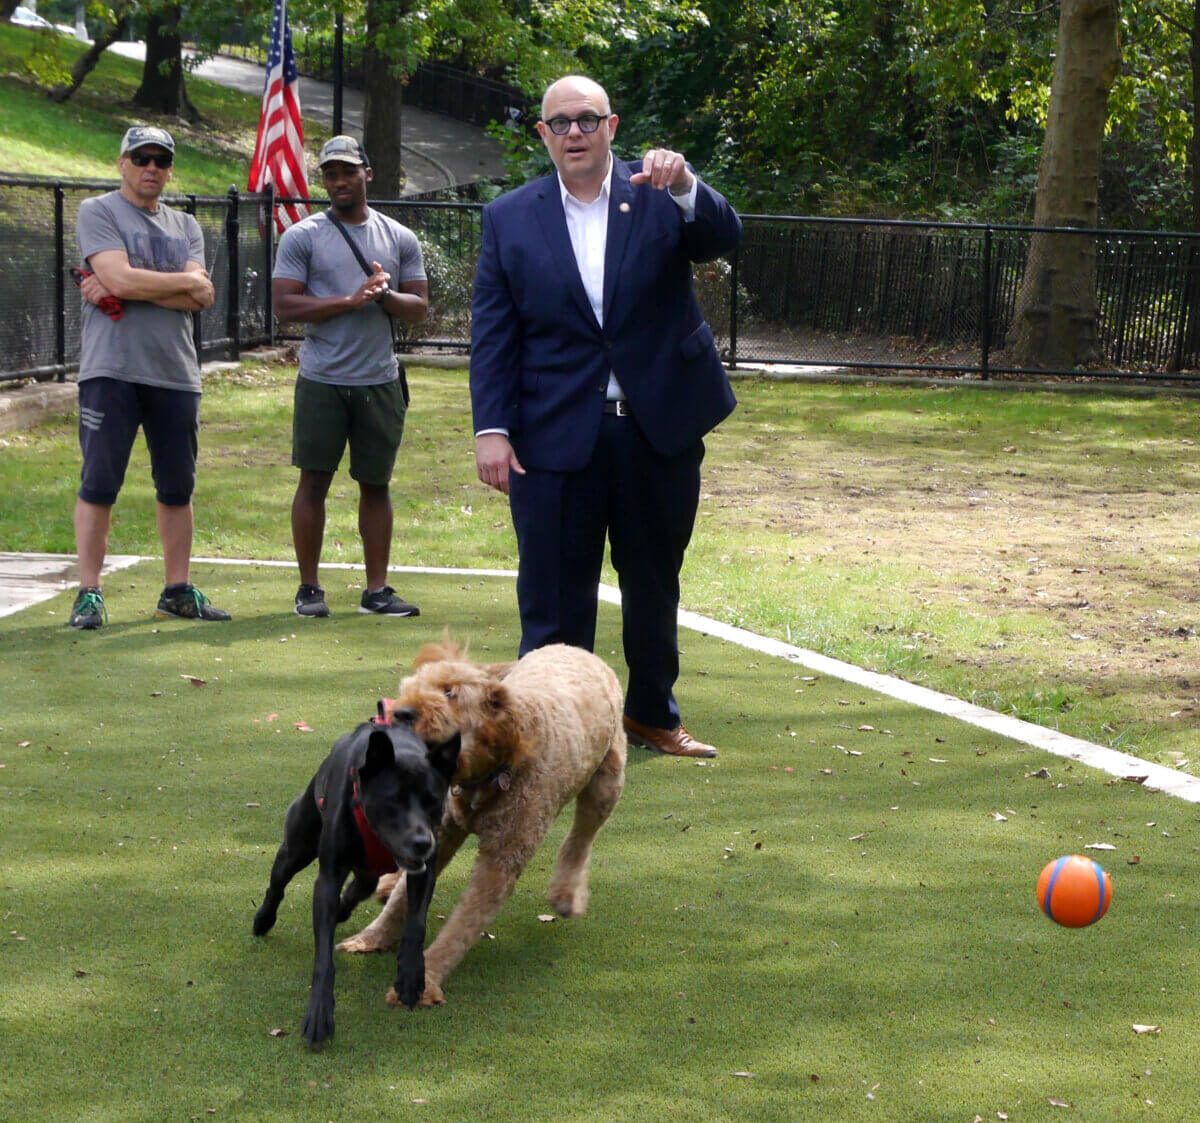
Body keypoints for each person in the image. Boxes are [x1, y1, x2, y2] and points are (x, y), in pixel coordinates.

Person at [470, 76, 742, 758]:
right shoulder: (509, 217)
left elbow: (722, 236)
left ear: (611, 126)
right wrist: (493, 429)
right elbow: (495, 333)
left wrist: (686, 186)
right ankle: (551, 728)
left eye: (586, 119)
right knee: (554, 594)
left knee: (653, 579)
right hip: (553, 433)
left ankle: (652, 714)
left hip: (656, 426)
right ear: (542, 135)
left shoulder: (658, 194)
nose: (574, 133)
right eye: (559, 123)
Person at [69, 125, 228, 630]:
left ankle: (177, 591)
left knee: (178, 486)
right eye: (142, 158)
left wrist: (132, 283)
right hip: (111, 369)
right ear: (123, 163)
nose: (151, 168)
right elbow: (119, 278)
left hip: (176, 373)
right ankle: (89, 593)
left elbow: (201, 297)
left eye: (161, 160)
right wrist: (178, 282)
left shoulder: (187, 226)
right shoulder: (99, 212)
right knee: (99, 483)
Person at [272, 136, 429, 618]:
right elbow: (284, 307)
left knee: (375, 484)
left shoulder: (399, 237)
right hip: (322, 378)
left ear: (368, 173)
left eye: (347, 172)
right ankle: (309, 589)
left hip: (378, 380)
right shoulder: (304, 235)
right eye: (330, 174)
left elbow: (419, 309)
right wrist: (349, 300)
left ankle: (376, 591)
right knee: (313, 481)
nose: (338, 182)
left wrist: (382, 296)